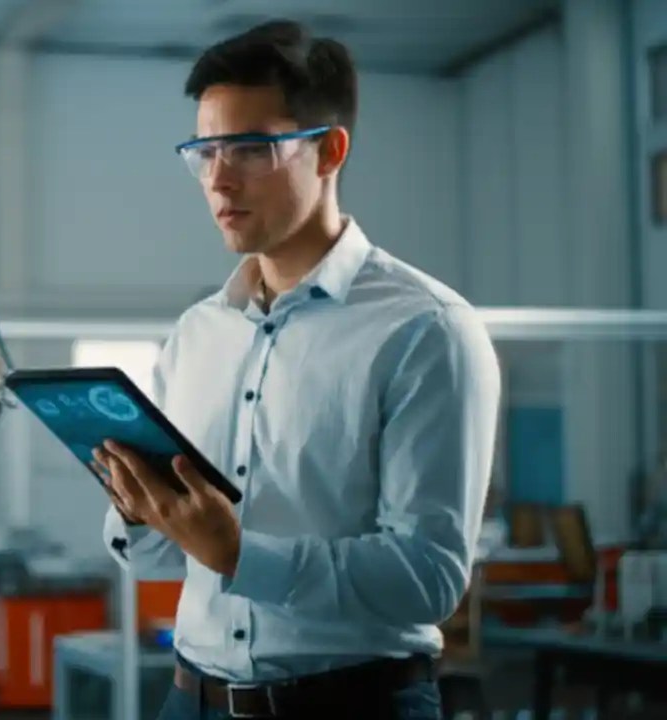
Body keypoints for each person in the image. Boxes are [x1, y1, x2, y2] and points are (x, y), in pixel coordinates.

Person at [93, 19, 501, 720]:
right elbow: (158, 559)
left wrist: (240, 555)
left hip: (354, 705)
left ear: (329, 150)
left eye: (251, 149)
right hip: (192, 699)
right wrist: (142, 508)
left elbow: (429, 578)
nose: (218, 178)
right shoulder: (198, 335)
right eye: (205, 151)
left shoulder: (426, 329)